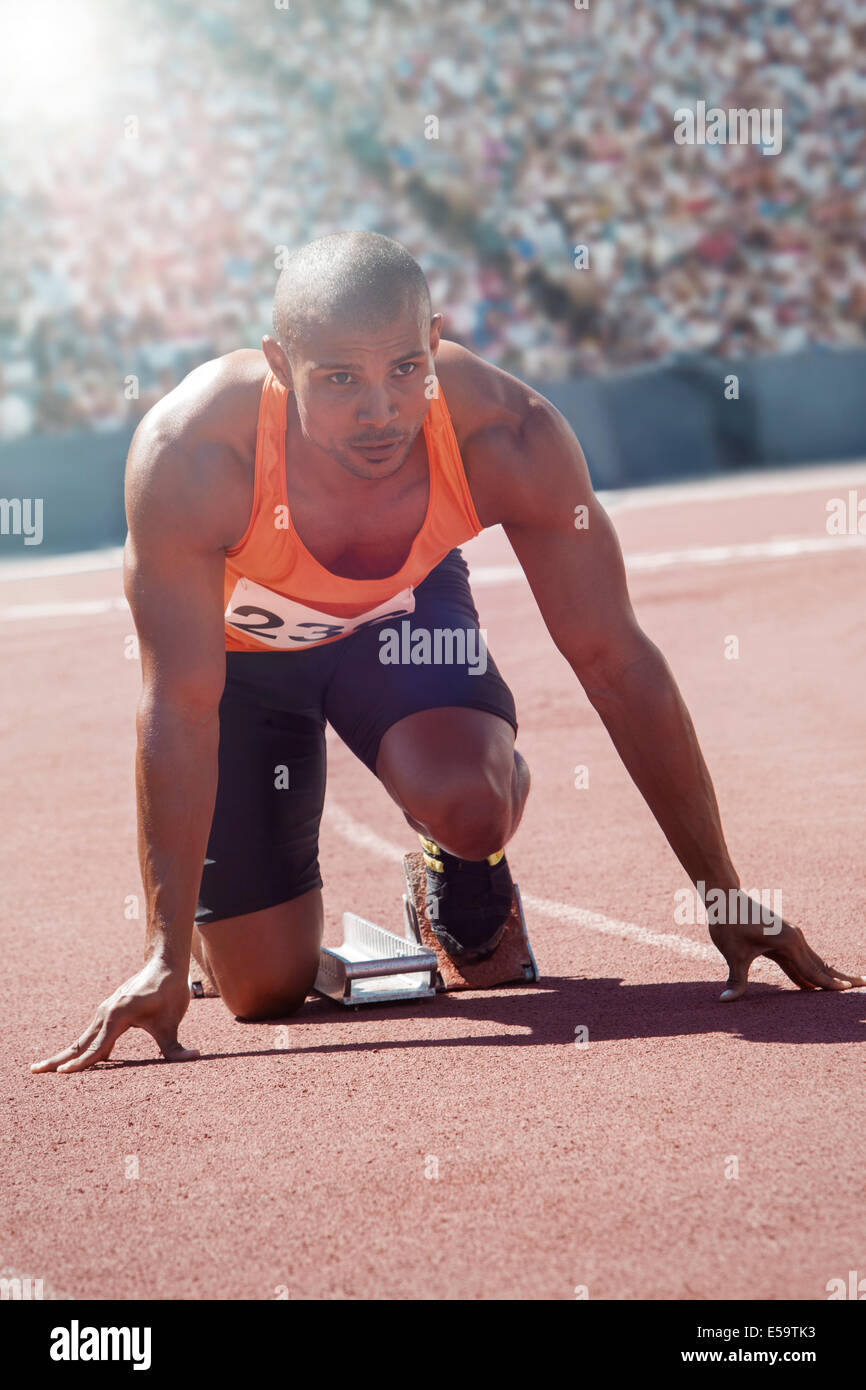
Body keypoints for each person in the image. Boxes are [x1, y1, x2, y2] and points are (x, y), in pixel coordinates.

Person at [32, 230, 864, 1075]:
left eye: (404, 368)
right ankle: (229, 942)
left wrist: (719, 888)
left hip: (401, 617)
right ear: (281, 367)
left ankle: (456, 859)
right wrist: (163, 955)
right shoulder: (193, 456)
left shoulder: (509, 433)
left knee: (472, 804)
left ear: (436, 343)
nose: (383, 410)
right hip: (245, 660)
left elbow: (615, 658)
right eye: (340, 379)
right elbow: (178, 704)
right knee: (264, 991)